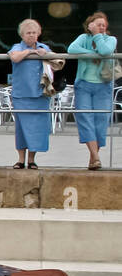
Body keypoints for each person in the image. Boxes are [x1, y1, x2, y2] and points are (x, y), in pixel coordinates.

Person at [7, 18, 61, 169]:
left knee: (37, 128)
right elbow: (15, 57)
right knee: (22, 128)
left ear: (38, 34)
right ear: (22, 35)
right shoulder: (17, 47)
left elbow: (58, 63)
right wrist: (30, 52)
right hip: (21, 94)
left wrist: (46, 54)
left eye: (34, 32)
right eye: (28, 33)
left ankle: (32, 160)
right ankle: (20, 159)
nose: (31, 35)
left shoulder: (44, 47)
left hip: (40, 95)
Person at [67, 11, 116, 171]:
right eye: (97, 24)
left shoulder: (110, 39)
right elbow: (71, 49)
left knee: (101, 120)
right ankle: (95, 157)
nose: (101, 27)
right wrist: (92, 54)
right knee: (85, 119)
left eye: (103, 24)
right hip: (84, 85)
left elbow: (105, 51)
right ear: (90, 25)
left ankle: (93, 157)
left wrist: (97, 35)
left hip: (103, 85)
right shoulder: (83, 38)